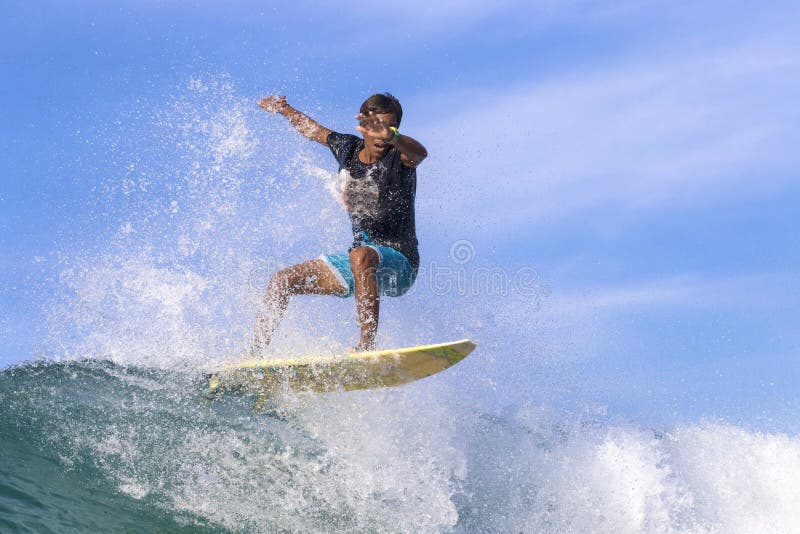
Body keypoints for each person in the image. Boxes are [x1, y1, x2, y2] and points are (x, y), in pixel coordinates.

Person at [252, 93, 428, 353]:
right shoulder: (348, 149)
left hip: (400, 264)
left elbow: (420, 154)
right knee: (282, 281)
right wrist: (285, 108)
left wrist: (394, 138)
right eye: (376, 127)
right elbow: (313, 130)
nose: (381, 136)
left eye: (389, 129)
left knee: (360, 255)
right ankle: (252, 355)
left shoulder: (399, 159)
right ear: (364, 127)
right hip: (360, 266)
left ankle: (366, 347)